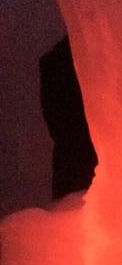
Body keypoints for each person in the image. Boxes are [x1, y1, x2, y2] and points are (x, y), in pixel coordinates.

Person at [39, 35, 98, 199]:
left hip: (71, 159)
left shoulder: (54, 62)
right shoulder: (59, 62)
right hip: (79, 156)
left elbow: (55, 121)